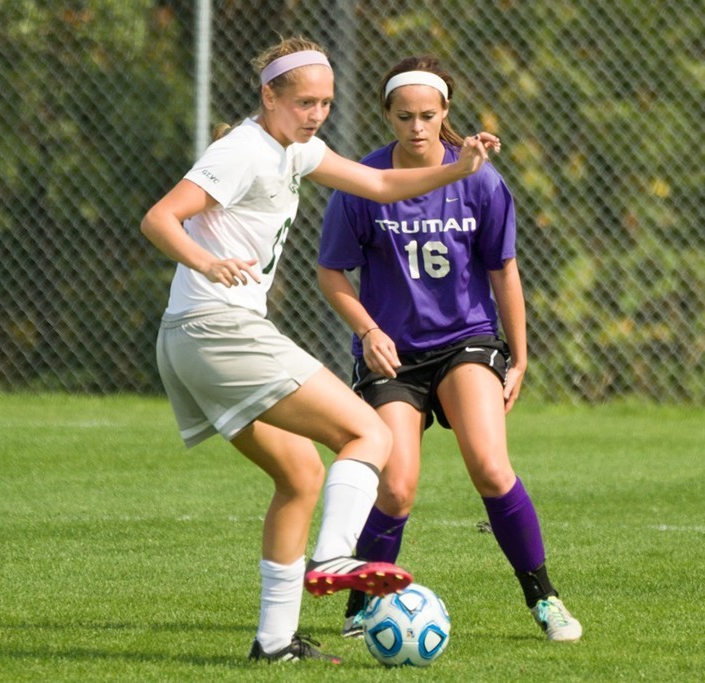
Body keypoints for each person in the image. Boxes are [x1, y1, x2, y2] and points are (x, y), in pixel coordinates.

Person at [140, 38, 501, 664]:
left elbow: (383, 183)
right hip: (217, 329)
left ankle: (275, 643)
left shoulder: (295, 149)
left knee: (301, 475)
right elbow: (160, 218)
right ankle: (336, 553)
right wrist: (207, 260)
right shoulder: (244, 150)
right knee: (369, 433)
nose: (315, 114)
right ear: (268, 96)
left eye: (326, 103)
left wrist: (458, 168)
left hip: (190, 338)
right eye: (303, 101)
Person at [316, 55, 582, 643]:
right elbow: (332, 273)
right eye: (404, 115)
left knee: (490, 465)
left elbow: (504, 270)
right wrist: (368, 330)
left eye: (428, 116)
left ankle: (545, 599)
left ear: (446, 115)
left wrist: (521, 355)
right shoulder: (362, 182)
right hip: (393, 355)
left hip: (466, 340)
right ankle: (363, 605)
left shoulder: (479, 178)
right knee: (397, 484)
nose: (416, 127)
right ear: (386, 114)